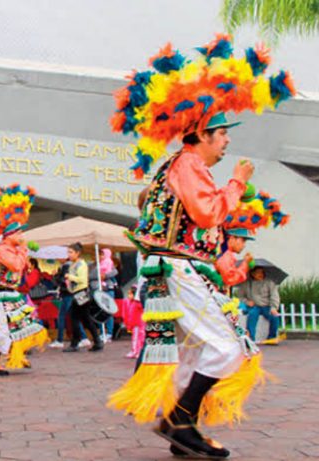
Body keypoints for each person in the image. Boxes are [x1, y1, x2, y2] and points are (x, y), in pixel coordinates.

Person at [107, 33, 295, 460]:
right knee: (229, 348)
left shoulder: (179, 166)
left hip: (178, 269)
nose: (227, 142)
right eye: (223, 134)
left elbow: (201, 226)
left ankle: (181, 430)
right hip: (177, 271)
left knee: (195, 352)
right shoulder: (189, 164)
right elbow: (210, 214)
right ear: (203, 136)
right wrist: (238, 183)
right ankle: (179, 420)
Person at [0, 184, 49, 375]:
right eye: (19, 233)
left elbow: (20, 270)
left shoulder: (12, 249)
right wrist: (23, 251)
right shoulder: (2, 250)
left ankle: (13, 356)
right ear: (10, 235)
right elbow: (15, 265)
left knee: (20, 326)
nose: (22, 236)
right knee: (1, 329)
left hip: (10, 295)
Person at [62, 243, 103, 353]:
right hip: (78, 293)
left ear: (77, 253)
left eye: (71, 252)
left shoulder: (81, 265)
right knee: (85, 318)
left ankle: (76, 342)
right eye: (68, 252)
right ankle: (97, 341)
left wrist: (69, 276)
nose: (69, 254)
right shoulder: (74, 264)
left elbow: (82, 279)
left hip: (81, 293)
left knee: (74, 317)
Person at [237, 267, 281, 345]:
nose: (260, 274)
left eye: (262, 272)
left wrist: (274, 307)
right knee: (252, 316)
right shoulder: (246, 284)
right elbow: (240, 296)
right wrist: (247, 302)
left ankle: (272, 338)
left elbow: (274, 296)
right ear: (252, 274)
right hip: (254, 306)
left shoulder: (270, 283)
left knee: (275, 317)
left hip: (266, 306)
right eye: (258, 272)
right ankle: (250, 339)